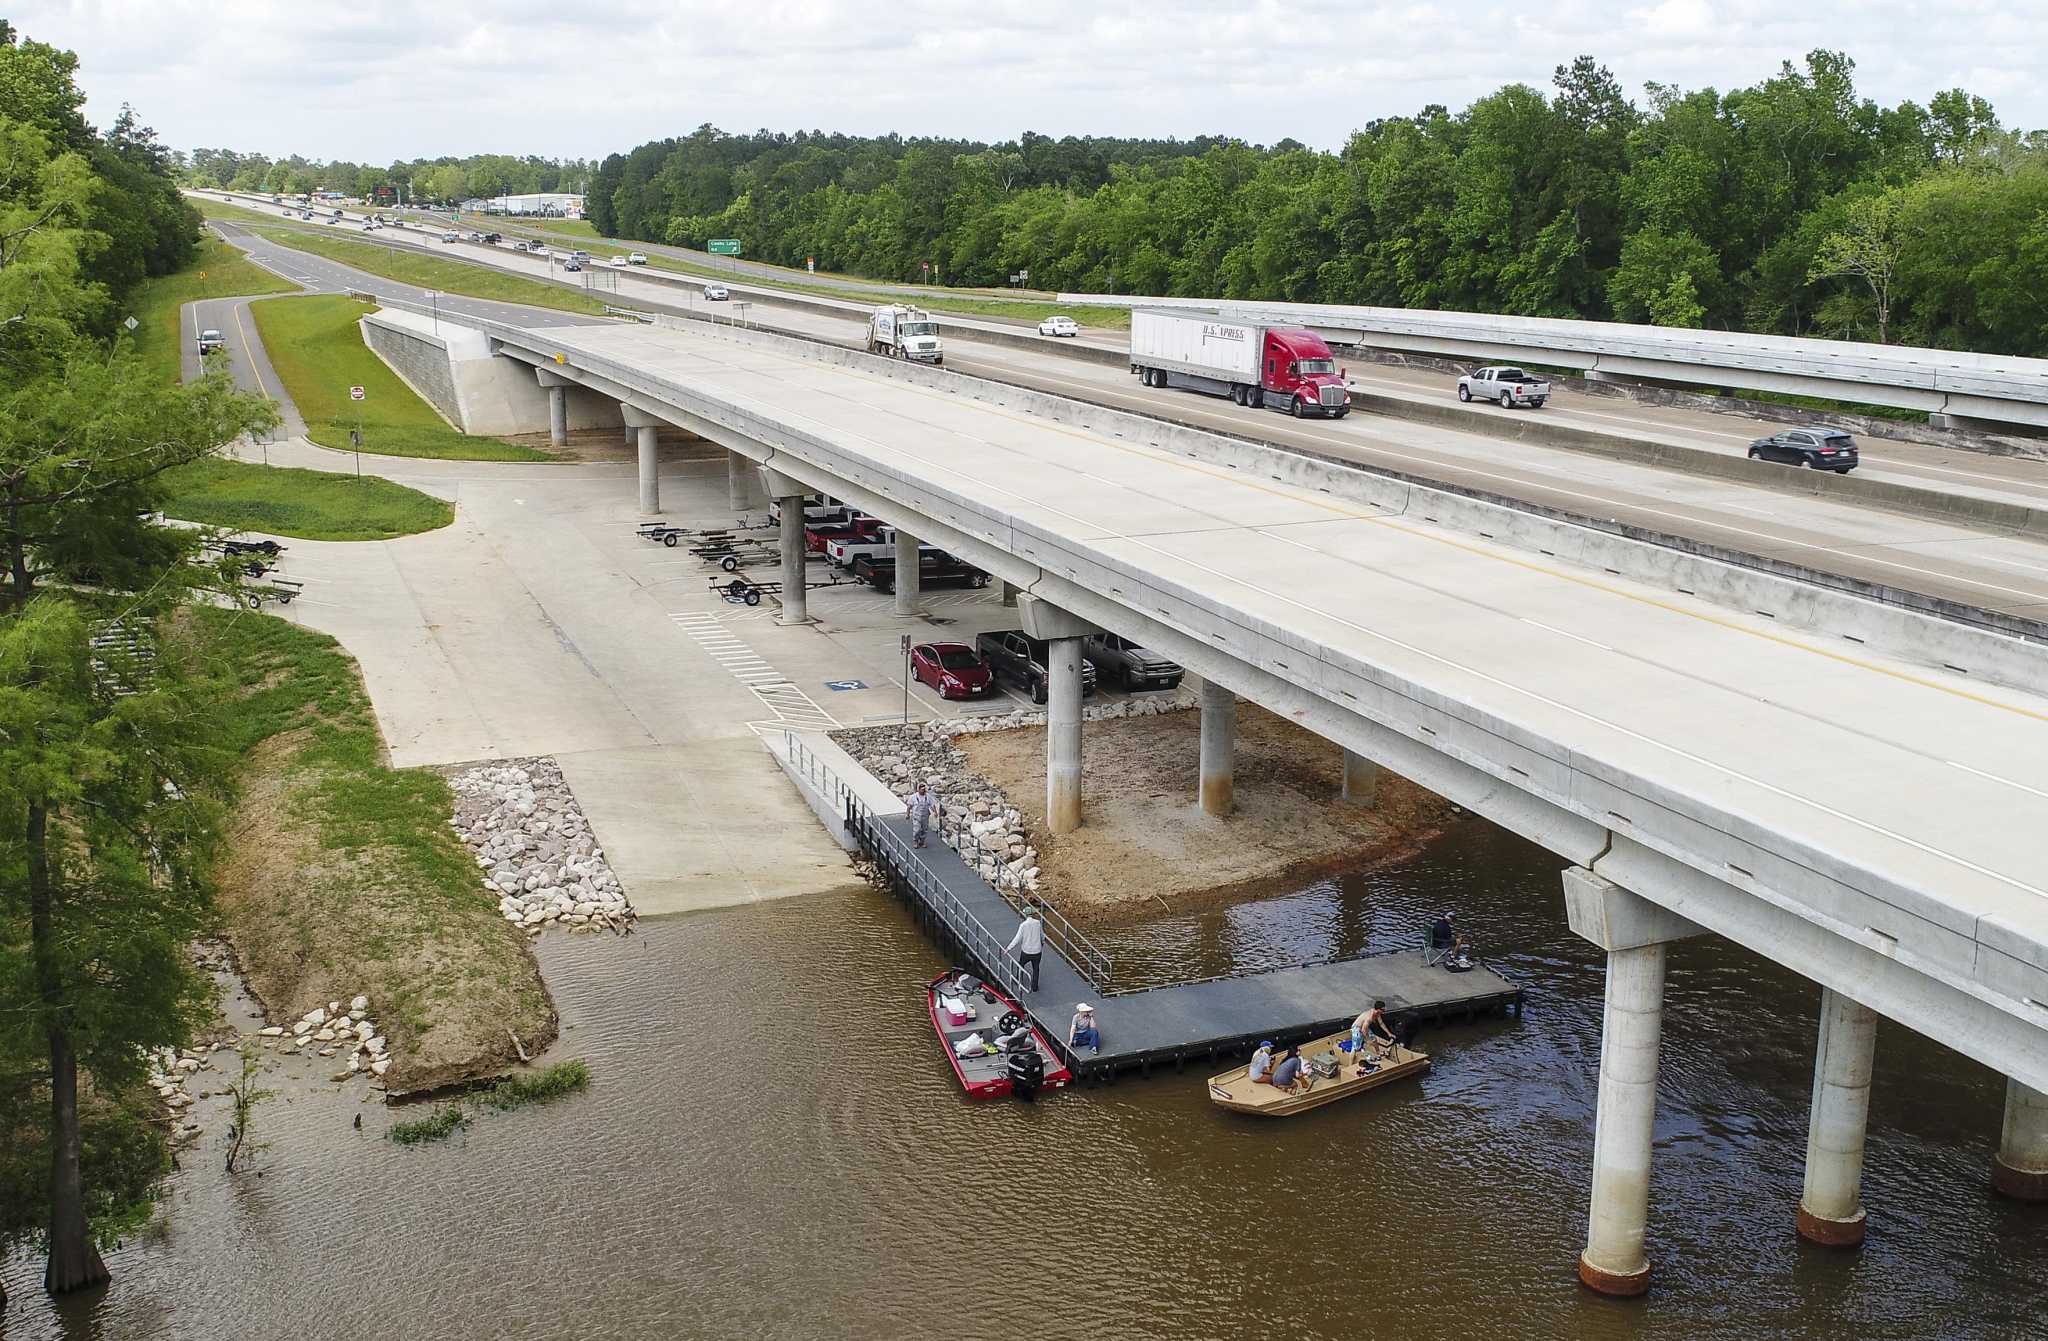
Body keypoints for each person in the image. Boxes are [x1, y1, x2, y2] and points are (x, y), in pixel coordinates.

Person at [1005, 902, 1045, 992]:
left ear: (1025, 914)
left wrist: (1008, 948)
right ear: (1032, 914)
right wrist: (1042, 943)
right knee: (1036, 968)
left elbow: (1017, 938)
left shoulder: (1023, 925)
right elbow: (1042, 936)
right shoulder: (1038, 923)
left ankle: (1018, 979)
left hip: (1026, 951)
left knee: (1021, 964)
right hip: (1037, 951)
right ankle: (1034, 987)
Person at [908, 783, 935, 848]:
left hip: (925, 816)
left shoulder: (928, 796)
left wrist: (935, 812)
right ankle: (915, 841)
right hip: (916, 816)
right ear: (919, 790)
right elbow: (909, 806)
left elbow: (932, 804)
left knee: (924, 829)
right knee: (917, 829)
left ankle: (922, 841)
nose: (923, 791)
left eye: (924, 789)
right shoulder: (913, 797)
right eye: (922, 789)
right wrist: (908, 814)